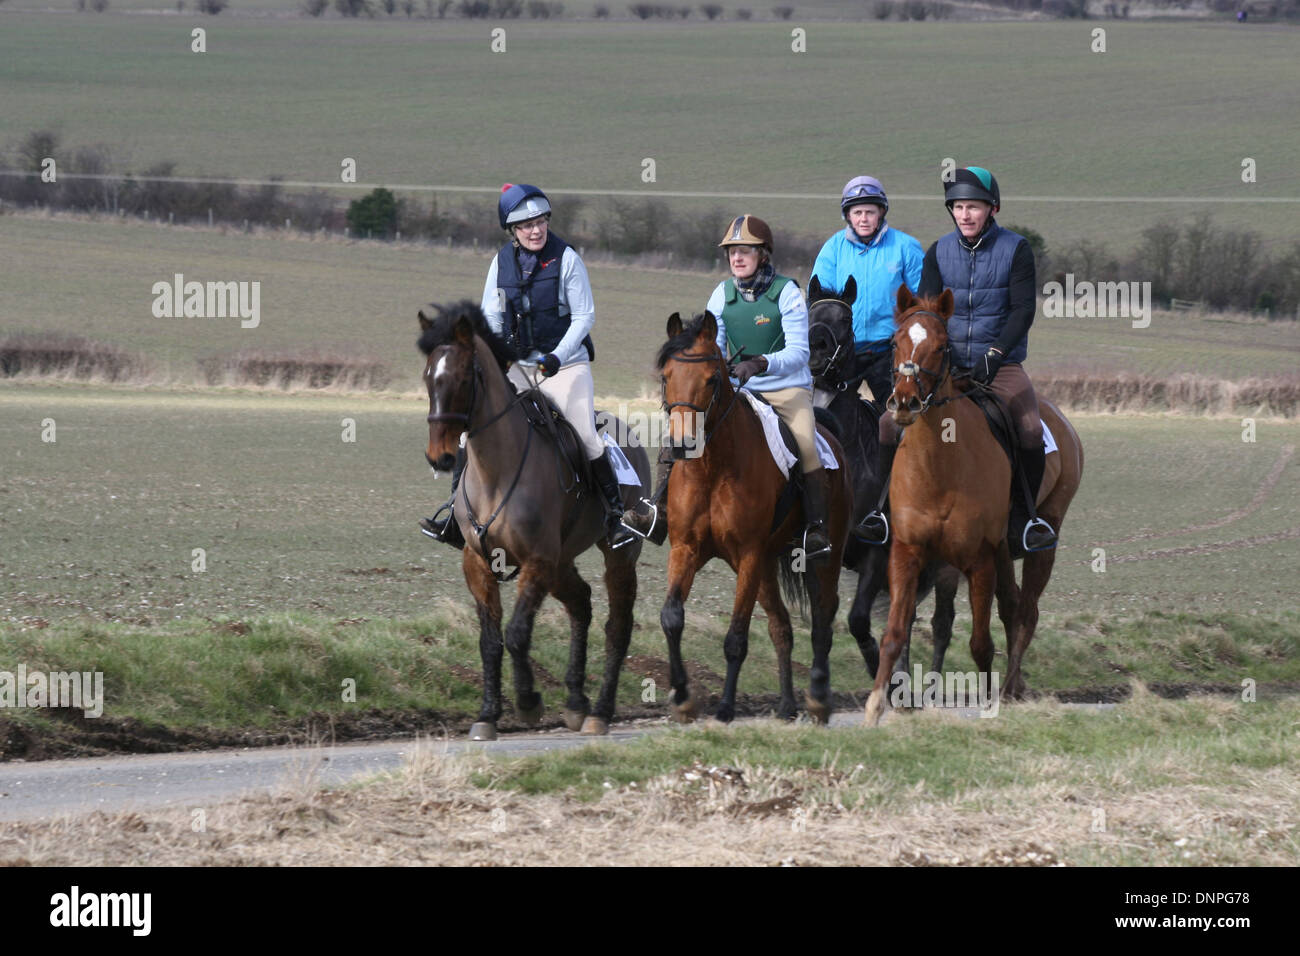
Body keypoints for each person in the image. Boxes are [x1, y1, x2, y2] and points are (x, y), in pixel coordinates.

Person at [420, 183, 637, 551]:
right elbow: (490, 315)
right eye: (525, 225)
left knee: (585, 433)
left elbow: (584, 316)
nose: (535, 230)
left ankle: (613, 518)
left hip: (566, 365)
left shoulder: (567, 258)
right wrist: (501, 355)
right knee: (469, 430)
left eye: (539, 221)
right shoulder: (501, 262)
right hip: (518, 367)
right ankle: (456, 518)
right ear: (512, 231)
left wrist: (556, 357)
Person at [856, 165, 1057, 553]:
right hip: (944, 368)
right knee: (887, 425)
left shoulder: (1016, 250)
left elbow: (1022, 311)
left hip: (1001, 366)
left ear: (992, 209)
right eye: (959, 207)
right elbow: (927, 314)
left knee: (1031, 428)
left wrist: (995, 356)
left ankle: (1026, 519)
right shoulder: (938, 252)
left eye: (974, 207)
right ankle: (880, 513)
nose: (965, 214)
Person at [623, 215, 831, 558]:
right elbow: (712, 346)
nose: (736, 257)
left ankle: (815, 530)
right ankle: (657, 513)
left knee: (807, 445)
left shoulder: (788, 292)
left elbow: (799, 353)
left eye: (744, 250)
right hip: (737, 389)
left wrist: (760, 363)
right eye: (732, 251)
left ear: (762, 254)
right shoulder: (721, 294)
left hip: (785, 390)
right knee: (682, 429)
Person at [811, 176, 924, 405]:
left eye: (870, 212)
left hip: (889, 350)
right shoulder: (833, 248)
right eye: (857, 212)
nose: (863, 219)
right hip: (842, 354)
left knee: (898, 416)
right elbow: (820, 301)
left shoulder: (906, 247)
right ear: (848, 215)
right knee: (825, 415)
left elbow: (920, 302)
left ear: (881, 212)